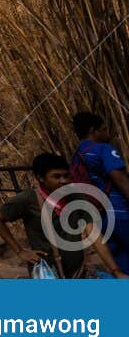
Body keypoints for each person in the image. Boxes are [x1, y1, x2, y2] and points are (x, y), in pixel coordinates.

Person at [0, 153, 126, 279]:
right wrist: (19, 251)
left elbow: (94, 234)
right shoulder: (28, 199)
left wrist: (115, 270)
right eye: (57, 176)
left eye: (66, 176)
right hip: (48, 273)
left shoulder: (76, 197)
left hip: (77, 271)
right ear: (40, 178)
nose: (64, 181)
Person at [70, 111, 129, 274]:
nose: (107, 133)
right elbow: (121, 180)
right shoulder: (103, 149)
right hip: (121, 212)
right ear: (92, 130)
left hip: (100, 217)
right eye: (103, 129)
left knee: (122, 259)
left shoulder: (76, 156)